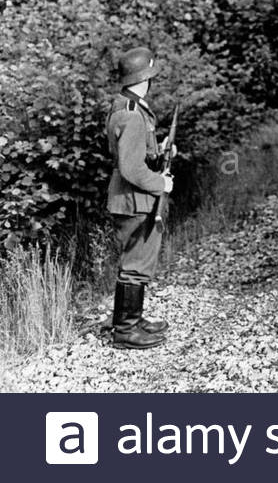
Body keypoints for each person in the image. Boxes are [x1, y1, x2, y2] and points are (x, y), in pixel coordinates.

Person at [105, 46, 174, 350]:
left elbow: (134, 154)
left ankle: (133, 320)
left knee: (136, 261)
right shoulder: (132, 116)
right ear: (144, 78)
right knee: (136, 262)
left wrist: (160, 151)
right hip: (136, 198)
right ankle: (126, 330)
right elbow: (132, 168)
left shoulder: (124, 106)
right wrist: (161, 183)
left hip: (131, 196)